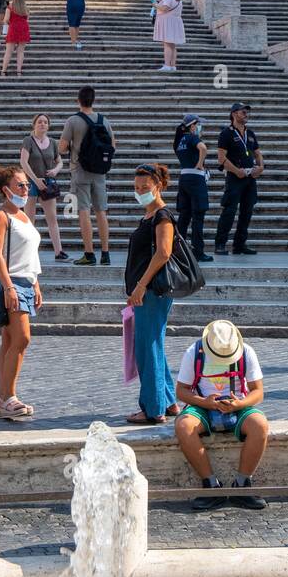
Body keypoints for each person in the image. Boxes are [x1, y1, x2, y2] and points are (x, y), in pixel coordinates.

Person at [175, 319, 269, 510]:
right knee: (183, 426)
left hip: (238, 403)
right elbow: (182, 391)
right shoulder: (194, 353)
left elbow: (258, 391)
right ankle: (210, 485)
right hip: (203, 405)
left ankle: (242, 485)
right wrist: (205, 402)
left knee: (260, 425)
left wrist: (239, 404)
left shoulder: (247, 352)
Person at [124, 163, 182, 425]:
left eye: (145, 188)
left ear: (158, 186)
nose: (140, 192)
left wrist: (140, 285)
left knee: (146, 348)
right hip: (147, 291)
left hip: (151, 291)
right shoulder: (149, 216)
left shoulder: (162, 216)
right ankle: (168, 401)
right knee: (153, 345)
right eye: (137, 188)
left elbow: (163, 253)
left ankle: (152, 407)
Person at [0, 164, 43, 420]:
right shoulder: (1, 216)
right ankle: (9, 396)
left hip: (26, 281)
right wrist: (9, 286)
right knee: (22, 339)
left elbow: (31, 252)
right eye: (20, 185)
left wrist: (36, 283)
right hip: (11, 283)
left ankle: (2, 397)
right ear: (6, 189)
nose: (26, 189)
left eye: (27, 185)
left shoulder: (23, 215)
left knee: (9, 341)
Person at [59, 85, 115, 265]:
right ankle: (105, 254)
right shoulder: (103, 120)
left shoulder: (73, 121)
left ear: (78, 100)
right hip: (99, 172)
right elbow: (113, 145)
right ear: (93, 100)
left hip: (80, 170)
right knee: (101, 211)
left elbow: (61, 147)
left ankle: (89, 254)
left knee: (83, 211)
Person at [214, 102, 262, 256]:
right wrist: (236, 171)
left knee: (247, 212)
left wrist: (260, 167)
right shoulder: (226, 133)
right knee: (229, 211)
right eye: (243, 112)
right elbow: (221, 158)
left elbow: (258, 153)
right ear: (234, 114)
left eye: (247, 112)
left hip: (250, 178)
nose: (246, 115)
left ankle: (239, 245)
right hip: (235, 178)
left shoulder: (251, 133)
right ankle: (220, 244)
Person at [21, 112, 68, 260]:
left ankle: (58, 251)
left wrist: (55, 170)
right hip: (31, 183)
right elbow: (23, 162)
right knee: (29, 218)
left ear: (48, 126)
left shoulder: (53, 142)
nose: (42, 124)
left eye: (45, 122)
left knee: (52, 218)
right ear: (34, 124)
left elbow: (60, 161)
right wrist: (35, 180)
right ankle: (28, 251)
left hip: (47, 183)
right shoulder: (28, 140)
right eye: (40, 122)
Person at [173, 114, 213, 262]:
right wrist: (200, 164)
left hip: (184, 178)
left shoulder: (179, 141)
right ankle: (198, 251)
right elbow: (203, 148)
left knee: (184, 216)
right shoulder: (192, 138)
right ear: (192, 126)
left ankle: (179, 250)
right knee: (198, 216)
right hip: (196, 178)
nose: (200, 127)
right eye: (198, 124)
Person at [152, 0, 185, 71]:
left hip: (167, 22)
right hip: (175, 22)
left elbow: (164, 8)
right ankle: (173, 66)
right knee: (172, 45)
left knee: (167, 44)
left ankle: (167, 65)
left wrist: (155, 5)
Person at [1, 0, 31, 77]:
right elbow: (27, 19)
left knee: (9, 51)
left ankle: (3, 70)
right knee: (21, 51)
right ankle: (19, 71)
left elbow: (6, 20)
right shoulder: (25, 8)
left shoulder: (10, 7)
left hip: (13, 28)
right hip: (23, 28)